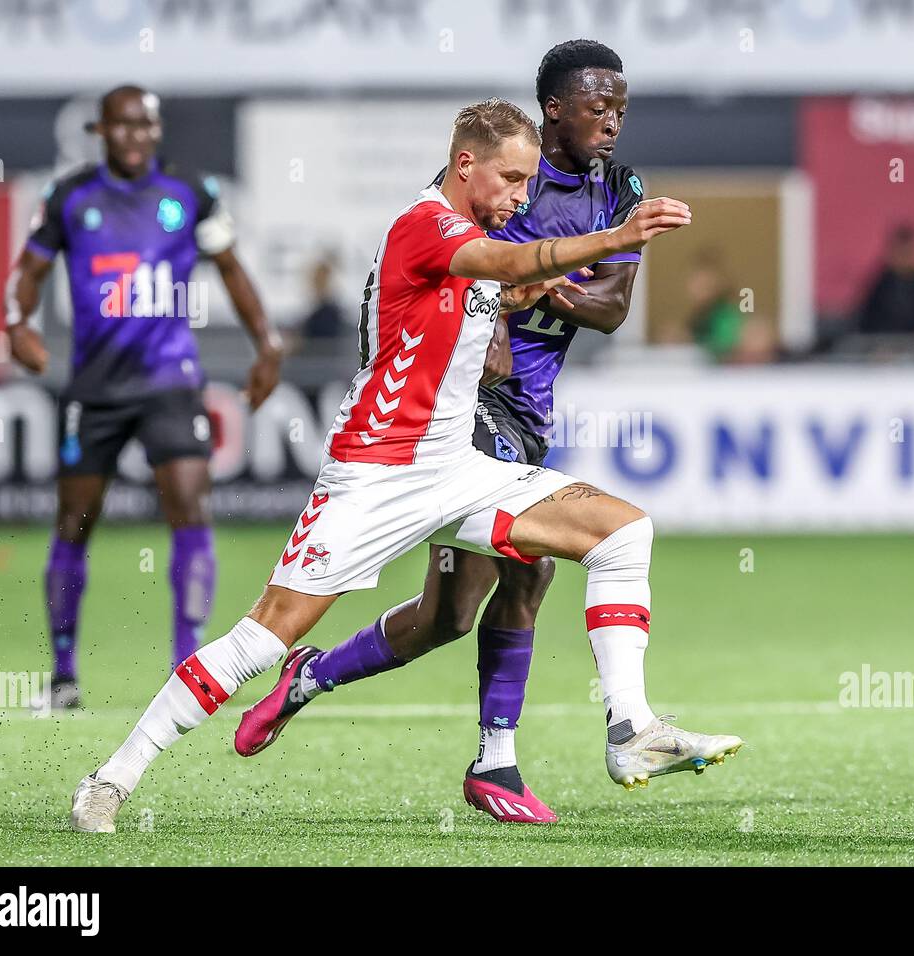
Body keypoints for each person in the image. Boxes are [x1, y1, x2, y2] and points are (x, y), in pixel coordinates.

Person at [69, 97, 742, 834]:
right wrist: (616, 236)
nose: (522, 196)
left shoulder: (475, 237)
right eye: (512, 180)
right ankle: (111, 778)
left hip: (457, 469)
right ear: (465, 166)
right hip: (375, 475)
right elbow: (507, 260)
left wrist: (520, 298)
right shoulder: (428, 225)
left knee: (623, 533)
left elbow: (493, 289)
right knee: (261, 640)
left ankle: (631, 730)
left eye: (527, 183)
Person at [233, 39, 646, 825]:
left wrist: (535, 285)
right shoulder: (478, 183)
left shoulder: (621, 188)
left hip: (531, 411)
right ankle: (499, 765)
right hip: (468, 411)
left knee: (449, 618)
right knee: (532, 567)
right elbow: (423, 282)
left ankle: (311, 676)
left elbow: (612, 310)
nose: (613, 122)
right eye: (599, 106)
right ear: (554, 108)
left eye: (622, 108)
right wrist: (500, 300)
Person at [6, 85, 283, 708]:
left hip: (169, 381)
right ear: (101, 131)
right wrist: (18, 323)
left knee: (190, 505)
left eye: (146, 126)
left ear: (157, 131)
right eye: (123, 126)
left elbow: (233, 269)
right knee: (74, 523)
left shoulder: (191, 194)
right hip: (95, 388)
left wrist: (266, 345)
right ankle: (63, 675)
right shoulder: (71, 196)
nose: (136, 136)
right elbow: (29, 269)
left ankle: (186, 668)